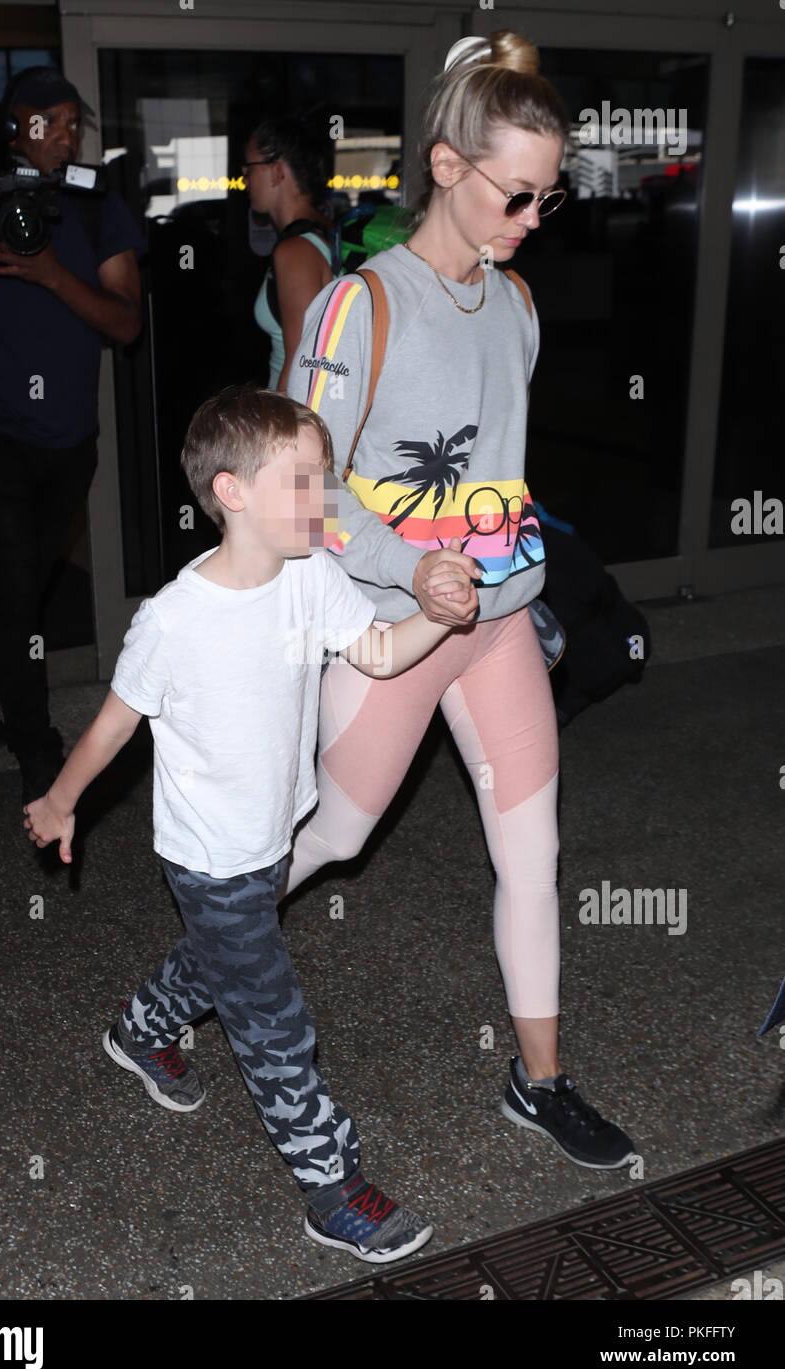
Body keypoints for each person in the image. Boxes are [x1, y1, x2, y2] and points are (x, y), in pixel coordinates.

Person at [285, 31, 637, 1169]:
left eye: (548, 196)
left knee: (529, 853)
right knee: (329, 837)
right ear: (445, 165)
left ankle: (538, 1079)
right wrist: (406, 566)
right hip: (392, 628)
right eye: (516, 194)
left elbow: (494, 464)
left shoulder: (518, 304)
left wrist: (497, 576)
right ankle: (183, 976)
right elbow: (305, 487)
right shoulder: (355, 307)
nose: (533, 218)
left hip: (494, 627)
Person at [22, 384, 461, 1263]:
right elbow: (115, 722)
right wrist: (61, 798)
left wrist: (435, 620)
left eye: (326, 479)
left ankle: (140, 1029)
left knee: (223, 956)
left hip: (271, 835)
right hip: (207, 857)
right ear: (231, 493)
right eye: (305, 481)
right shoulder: (174, 621)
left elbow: (375, 651)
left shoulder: (311, 577)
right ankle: (329, 1188)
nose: (327, 500)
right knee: (271, 1020)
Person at [0, 66, 146, 802]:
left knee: (26, 581)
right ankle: (37, 745)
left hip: (67, 436)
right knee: (20, 589)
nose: (61, 136)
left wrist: (51, 273)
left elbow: (125, 322)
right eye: (44, 123)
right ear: (13, 128)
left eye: (68, 124)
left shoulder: (93, 210)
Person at [245, 114, 333, 392]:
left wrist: (276, 435)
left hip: (292, 425)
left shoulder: (296, 251)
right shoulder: (325, 232)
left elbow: (302, 369)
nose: (244, 179)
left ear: (277, 171)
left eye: (249, 168)